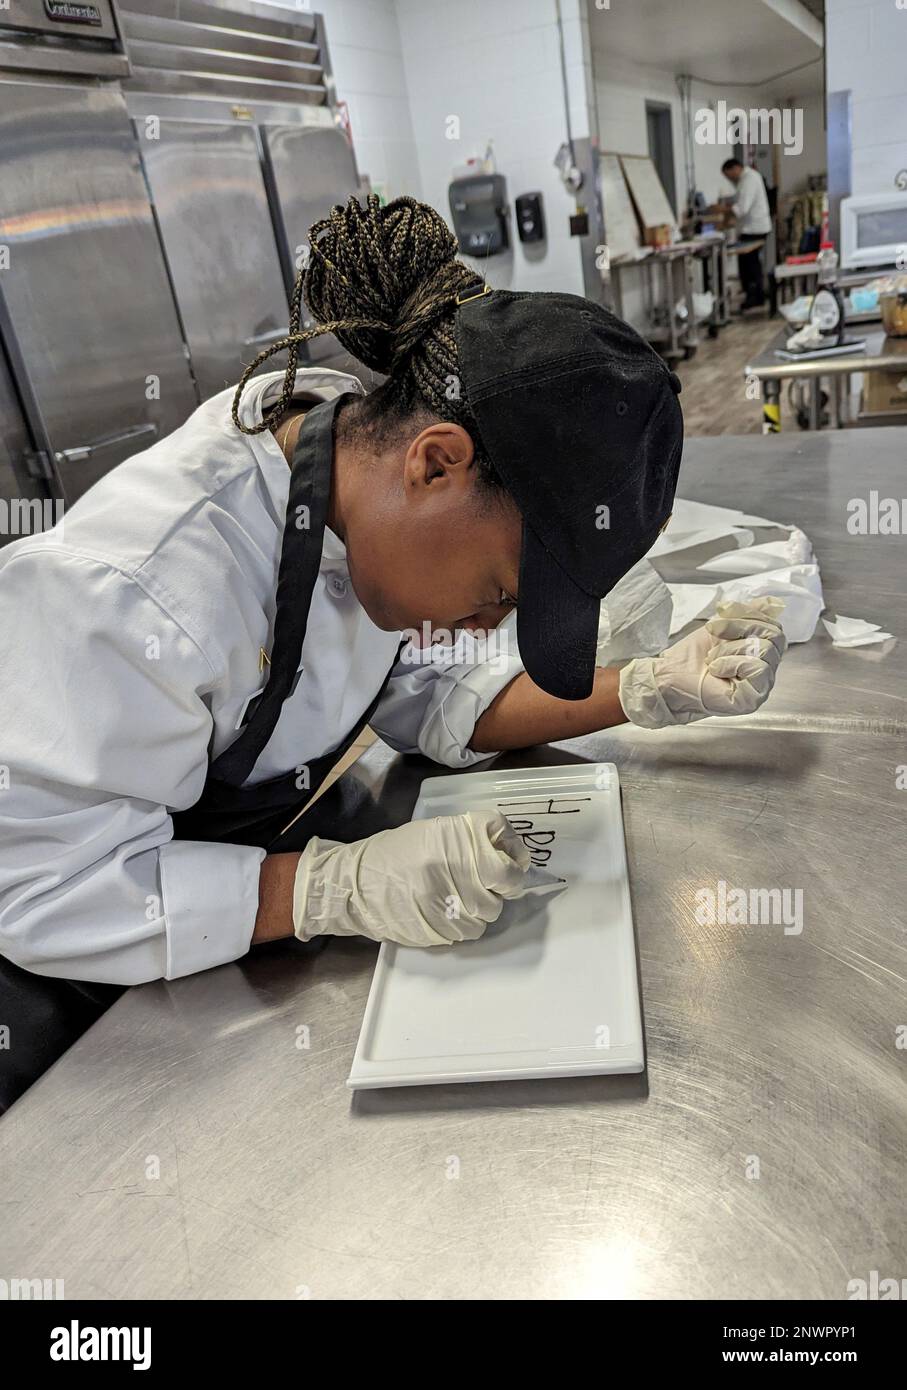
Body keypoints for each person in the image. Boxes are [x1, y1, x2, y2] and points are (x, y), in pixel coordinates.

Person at [0, 194, 787, 1111]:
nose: (491, 624)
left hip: (201, 961)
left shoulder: (357, 472)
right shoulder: (135, 589)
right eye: (499, 592)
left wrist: (651, 688)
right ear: (436, 463)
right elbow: (47, 892)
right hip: (66, 1007)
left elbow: (432, 697)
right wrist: (329, 887)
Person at [721, 158, 772, 309]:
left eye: (729, 175)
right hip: (752, 227)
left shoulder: (749, 179)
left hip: (754, 228)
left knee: (749, 264)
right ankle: (756, 294)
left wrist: (723, 210)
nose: (729, 179)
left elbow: (742, 208)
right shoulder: (747, 179)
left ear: (735, 168)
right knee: (751, 263)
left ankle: (755, 296)